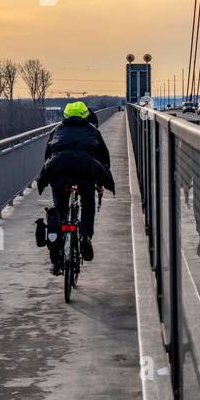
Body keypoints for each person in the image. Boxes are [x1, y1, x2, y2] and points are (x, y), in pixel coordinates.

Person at [36, 101, 114, 272]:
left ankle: (57, 252)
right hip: (85, 173)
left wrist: (48, 176)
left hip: (59, 172)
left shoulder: (57, 130)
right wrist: (100, 183)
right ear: (85, 115)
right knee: (88, 205)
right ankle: (85, 236)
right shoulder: (93, 130)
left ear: (66, 115)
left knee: (59, 210)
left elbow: (48, 155)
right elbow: (103, 158)